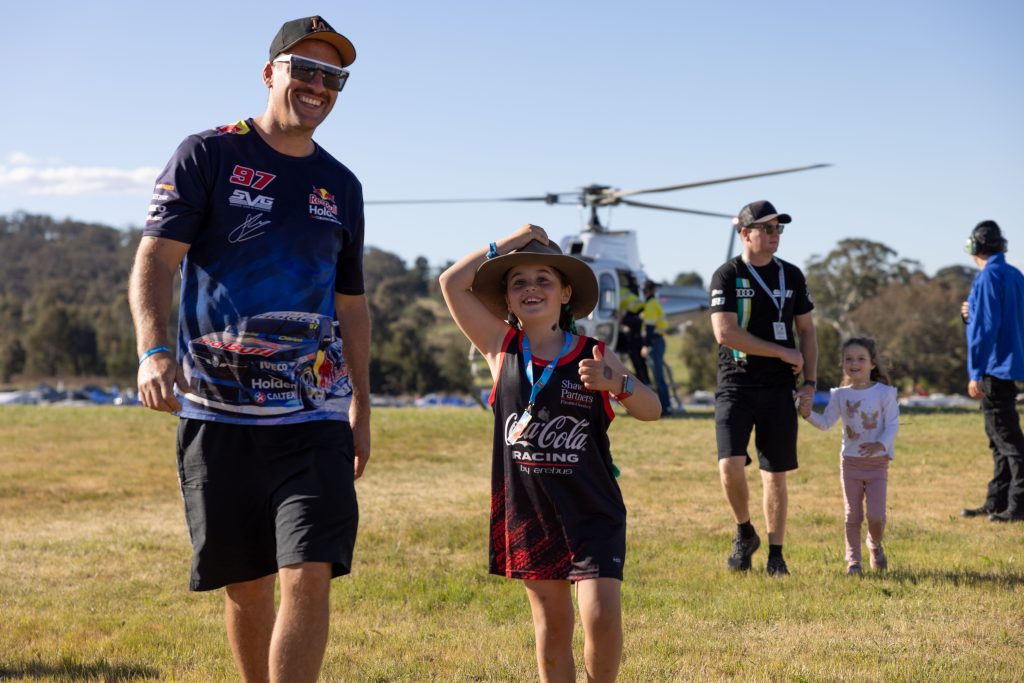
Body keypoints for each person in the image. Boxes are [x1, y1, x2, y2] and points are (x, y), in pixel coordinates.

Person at [128, 16, 370, 682]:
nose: (320, 85)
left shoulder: (341, 185)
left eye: (334, 77)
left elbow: (352, 306)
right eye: (306, 69)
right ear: (271, 73)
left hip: (314, 411)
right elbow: (155, 259)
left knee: (309, 570)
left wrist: (363, 409)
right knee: (250, 582)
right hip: (219, 412)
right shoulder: (208, 154)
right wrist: (153, 350)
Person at [439, 224, 661, 683]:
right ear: (507, 298)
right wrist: (511, 241)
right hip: (531, 513)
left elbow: (652, 409)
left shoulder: (595, 352)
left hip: (592, 510)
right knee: (552, 625)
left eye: (544, 279)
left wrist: (617, 383)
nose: (531, 288)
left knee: (600, 614)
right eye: (518, 281)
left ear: (565, 294)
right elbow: (450, 283)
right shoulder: (500, 348)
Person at [709, 200, 817, 576]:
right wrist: (781, 351)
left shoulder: (792, 276)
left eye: (779, 229)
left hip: (778, 389)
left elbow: (807, 331)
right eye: (767, 229)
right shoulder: (727, 275)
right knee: (729, 465)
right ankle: (744, 531)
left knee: (775, 474)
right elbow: (725, 333)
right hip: (735, 385)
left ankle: (776, 554)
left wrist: (810, 384)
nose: (774, 236)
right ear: (745, 234)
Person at [799, 338, 899, 575]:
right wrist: (806, 414)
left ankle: (874, 545)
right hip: (850, 463)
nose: (854, 363)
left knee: (876, 516)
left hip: (877, 464)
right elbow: (825, 423)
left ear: (872, 363)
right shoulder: (840, 395)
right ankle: (853, 562)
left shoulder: (886, 393)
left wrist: (880, 444)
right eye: (849, 359)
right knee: (852, 515)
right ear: (843, 364)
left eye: (861, 358)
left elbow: (893, 424)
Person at [959, 220, 1024, 523]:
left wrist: (975, 373)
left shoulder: (987, 277)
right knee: (997, 438)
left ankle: (1018, 505)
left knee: (1009, 440)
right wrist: (969, 312)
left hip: (993, 368)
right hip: (1010, 367)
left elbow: (985, 330)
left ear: (976, 247)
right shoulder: (1014, 275)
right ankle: (996, 501)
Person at [641, 280, 672, 416]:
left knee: (658, 377)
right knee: (659, 377)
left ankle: (665, 408)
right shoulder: (653, 303)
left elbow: (650, 327)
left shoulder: (650, 305)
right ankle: (665, 406)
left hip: (655, 342)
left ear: (646, 291)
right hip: (658, 341)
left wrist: (646, 345)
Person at [617, 279, 650, 385]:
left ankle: (643, 381)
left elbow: (619, 314)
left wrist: (620, 320)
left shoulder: (616, 293)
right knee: (640, 360)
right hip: (638, 315)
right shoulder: (626, 291)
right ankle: (645, 380)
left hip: (635, 316)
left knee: (636, 356)